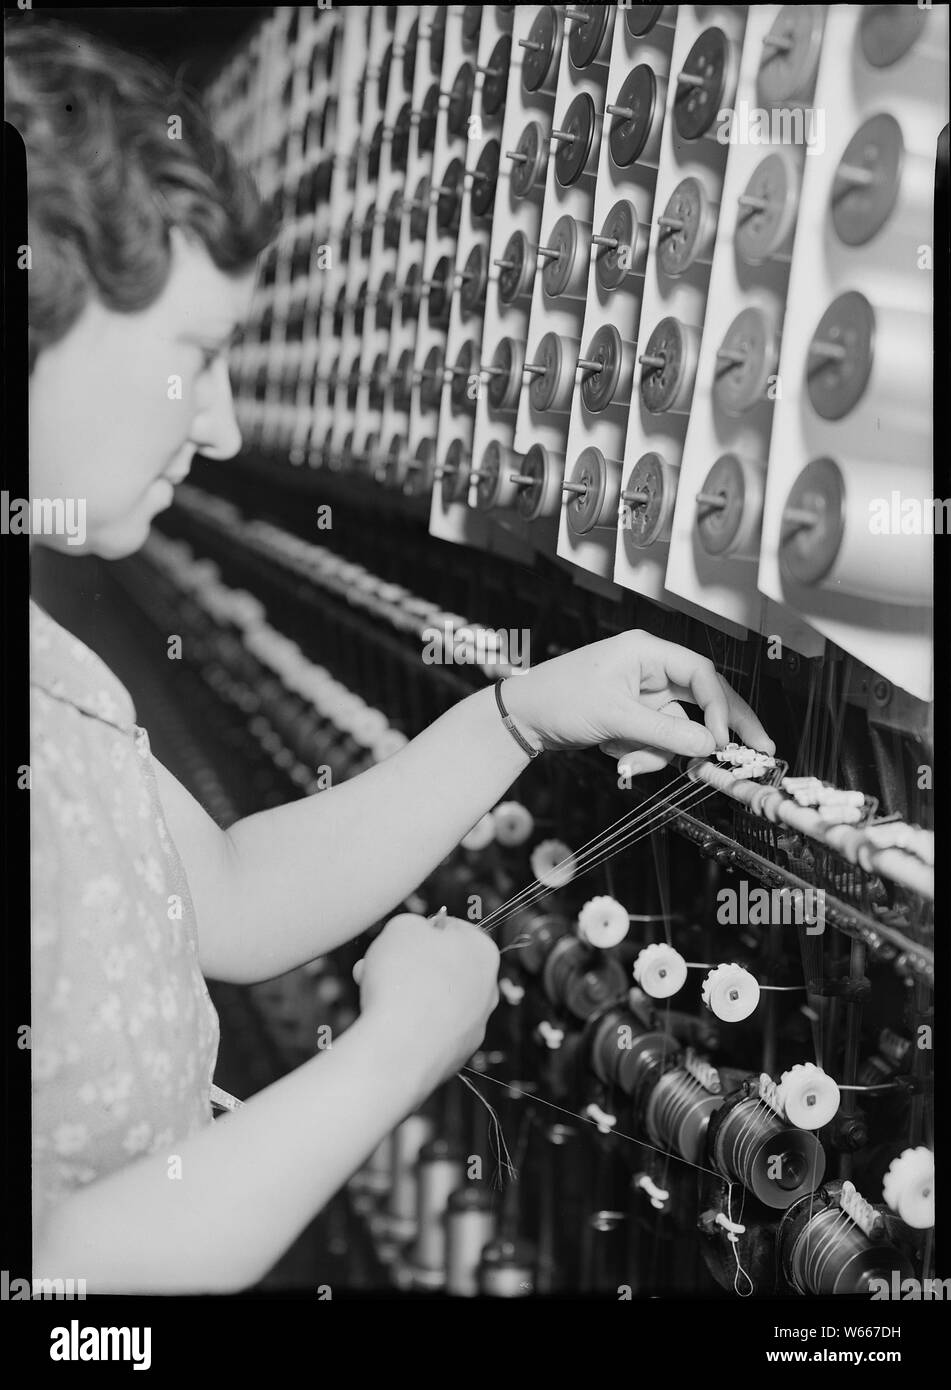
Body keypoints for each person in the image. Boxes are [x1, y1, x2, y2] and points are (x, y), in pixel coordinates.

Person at [8, 19, 775, 1293]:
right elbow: (62, 1260)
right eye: (194, 359)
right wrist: (394, 1053)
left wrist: (520, 718)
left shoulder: (50, 663)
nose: (224, 421)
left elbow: (235, 897)